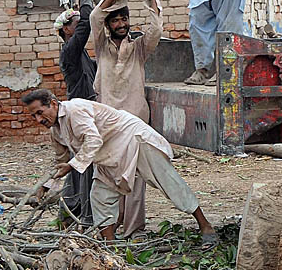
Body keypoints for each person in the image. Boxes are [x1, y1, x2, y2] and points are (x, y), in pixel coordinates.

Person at [23, 89, 217, 245]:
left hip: (133, 139)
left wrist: (73, 166)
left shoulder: (75, 110)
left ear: (54, 104)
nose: (39, 120)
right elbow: (59, 162)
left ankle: (205, 226)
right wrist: (44, 186)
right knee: (99, 196)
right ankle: (110, 246)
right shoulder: (55, 131)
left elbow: (92, 140)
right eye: (34, 117)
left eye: (40, 112)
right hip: (108, 154)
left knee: (168, 182)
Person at [89, 0, 164, 237]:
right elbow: (95, 18)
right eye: (116, 20)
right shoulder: (102, 47)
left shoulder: (139, 48)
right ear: (109, 25)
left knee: (135, 175)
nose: (121, 24)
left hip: (135, 120)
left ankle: (134, 229)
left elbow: (156, 31)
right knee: (109, 172)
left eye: (124, 20)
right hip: (107, 121)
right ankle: (111, 224)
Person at [52, 0, 98, 226]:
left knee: (81, 164)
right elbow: (88, 23)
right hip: (78, 114)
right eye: (75, 23)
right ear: (67, 31)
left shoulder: (83, 57)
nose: (79, 26)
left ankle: (72, 211)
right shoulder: (70, 51)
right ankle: (84, 216)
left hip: (84, 111)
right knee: (84, 165)